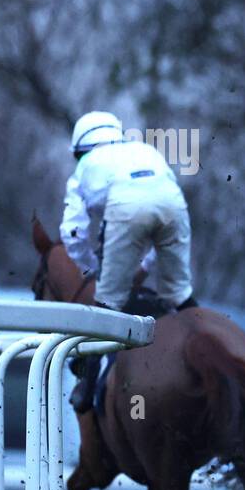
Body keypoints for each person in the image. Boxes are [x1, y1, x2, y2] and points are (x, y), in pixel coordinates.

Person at [60, 110, 195, 410]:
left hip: (126, 206)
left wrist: (92, 271)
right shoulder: (145, 150)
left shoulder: (85, 167)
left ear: (82, 150)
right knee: (179, 293)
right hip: (173, 201)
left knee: (107, 303)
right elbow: (157, 209)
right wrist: (145, 267)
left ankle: (87, 385)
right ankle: (202, 336)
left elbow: (71, 232)